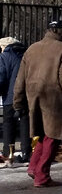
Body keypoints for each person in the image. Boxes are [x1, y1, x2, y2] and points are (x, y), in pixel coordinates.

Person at [12, 18, 62, 187]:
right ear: (61, 31)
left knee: (42, 135)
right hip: (54, 97)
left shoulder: (32, 48)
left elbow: (20, 79)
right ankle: (42, 176)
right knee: (53, 137)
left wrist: (18, 101)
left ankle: (33, 168)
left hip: (33, 96)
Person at [0, 36, 30, 166]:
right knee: (25, 123)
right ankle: (26, 152)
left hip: (10, 96)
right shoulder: (27, 54)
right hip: (26, 95)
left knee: (8, 123)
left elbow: (2, 76)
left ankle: (8, 151)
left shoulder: (5, 56)